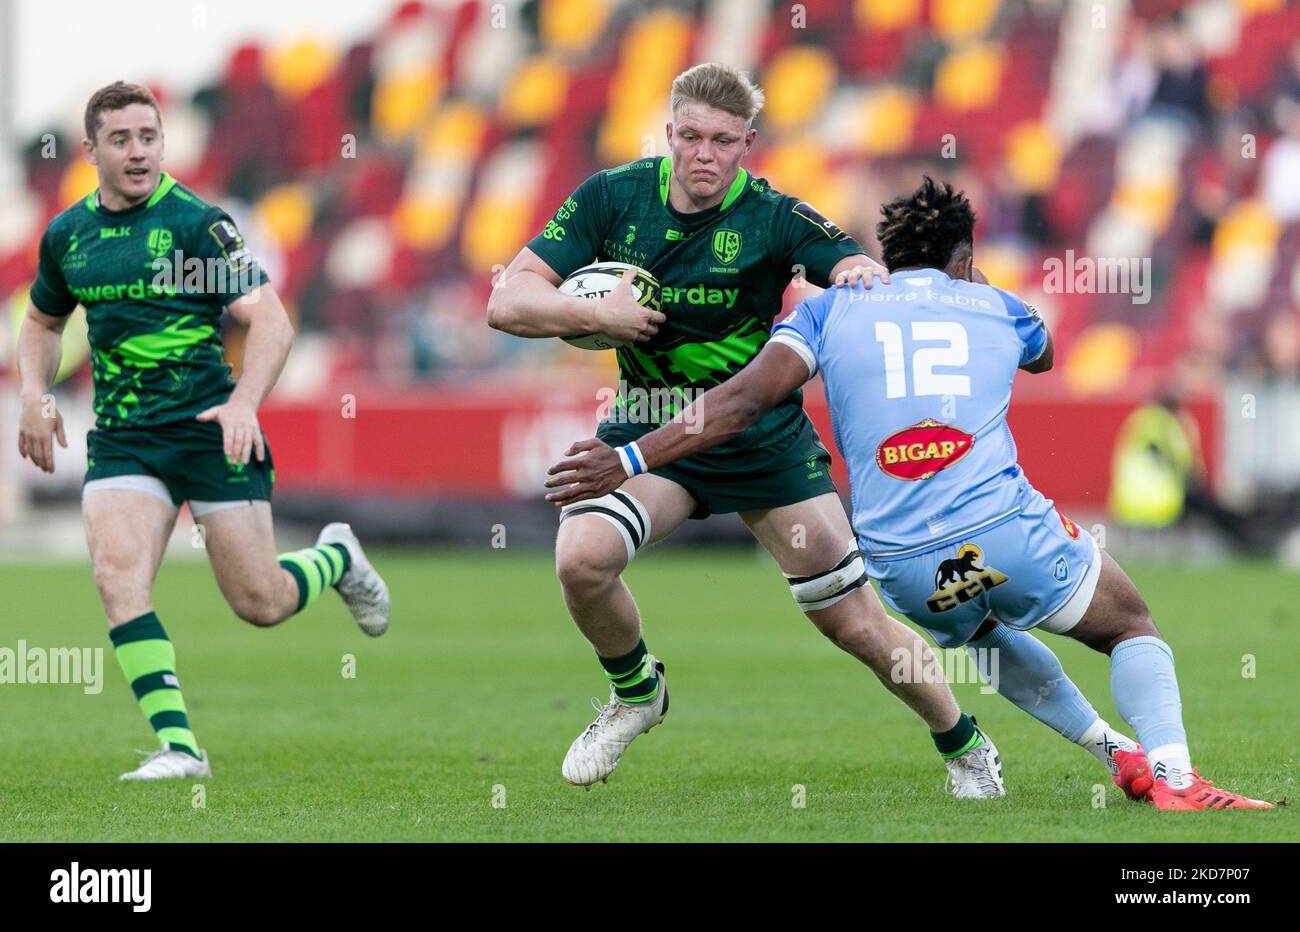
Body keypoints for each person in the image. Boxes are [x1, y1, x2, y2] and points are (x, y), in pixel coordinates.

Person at [547, 176, 1273, 811]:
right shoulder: (997, 306)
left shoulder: (829, 310)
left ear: (884, 256)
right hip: (1004, 528)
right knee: (1130, 627)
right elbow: (1044, 352)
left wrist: (632, 453)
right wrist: (977, 289)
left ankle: (1116, 753)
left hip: (899, 564)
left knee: (983, 637)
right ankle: (1177, 777)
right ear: (965, 256)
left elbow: (738, 402)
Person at [490, 63, 1006, 797]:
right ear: (669, 133)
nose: (704, 153)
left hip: (760, 439)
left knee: (855, 624)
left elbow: (853, 263)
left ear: (748, 144)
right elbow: (506, 301)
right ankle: (638, 693)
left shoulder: (773, 217)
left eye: (723, 141)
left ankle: (963, 743)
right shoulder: (611, 198)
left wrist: (860, 272)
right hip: (653, 428)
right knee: (581, 560)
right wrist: (596, 317)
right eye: (691, 137)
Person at [16, 82, 391, 781]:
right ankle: (181, 749)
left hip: (209, 428)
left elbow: (270, 320)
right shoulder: (68, 235)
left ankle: (335, 557)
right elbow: (42, 323)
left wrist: (247, 401)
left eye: (149, 137)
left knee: (261, 602)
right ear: (91, 149)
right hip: (125, 438)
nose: (137, 152)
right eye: (121, 139)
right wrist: (34, 395)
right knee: (116, 577)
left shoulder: (196, 225)